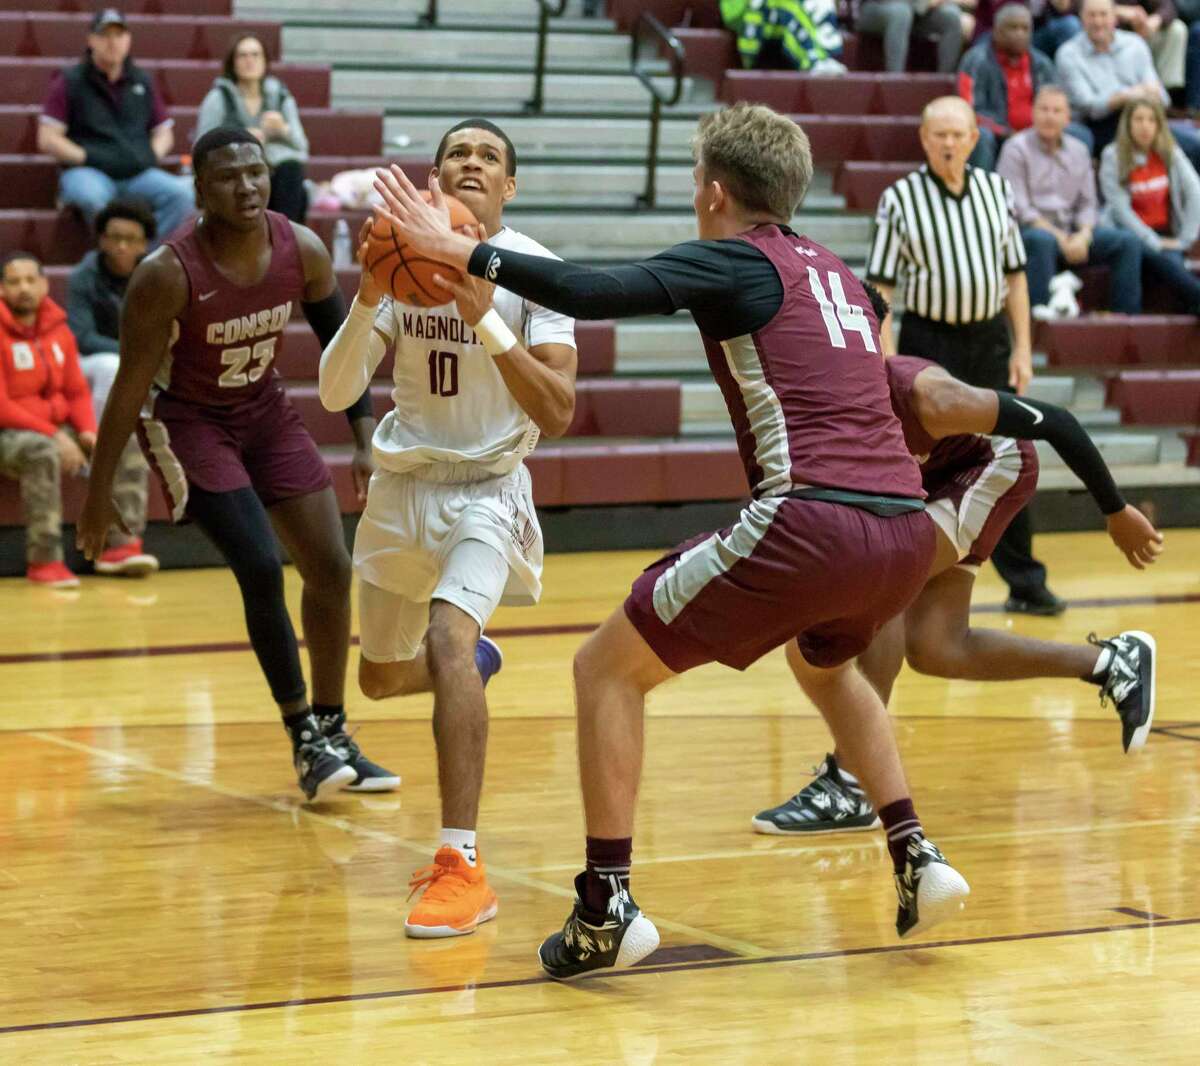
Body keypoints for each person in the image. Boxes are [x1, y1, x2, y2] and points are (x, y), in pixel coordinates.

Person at [372, 102, 972, 977]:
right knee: (826, 667)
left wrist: (458, 251)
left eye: (697, 182)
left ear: (715, 192)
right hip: (905, 530)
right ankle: (915, 851)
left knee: (604, 670)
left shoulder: (736, 257)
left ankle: (605, 906)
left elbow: (590, 292)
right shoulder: (838, 273)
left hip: (812, 518)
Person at [754, 284, 1161, 835]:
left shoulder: (926, 395)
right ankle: (1113, 663)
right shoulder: (823, 398)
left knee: (882, 575)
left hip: (992, 465)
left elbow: (1056, 421)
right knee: (937, 646)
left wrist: (1115, 511)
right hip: (928, 484)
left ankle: (853, 782)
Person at [75, 126, 397, 801]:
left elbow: (343, 346)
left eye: (255, 172)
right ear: (199, 190)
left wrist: (364, 435)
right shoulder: (166, 274)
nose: (246, 186)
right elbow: (128, 389)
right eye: (227, 176)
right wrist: (97, 496)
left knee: (332, 567)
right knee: (259, 564)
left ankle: (333, 730)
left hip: (264, 411)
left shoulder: (301, 248)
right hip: (187, 423)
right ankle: (303, 736)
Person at [321, 119, 577, 939]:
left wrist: (485, 315)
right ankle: (470, 665)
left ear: (510, 187)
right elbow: (334, 394)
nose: (472, 162)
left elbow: (558, 412)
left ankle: (461, 864)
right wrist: (368, 294)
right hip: (401, 488)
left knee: (448, 640)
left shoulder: (535, 271)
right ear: (432, 181)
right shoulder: (399, 259)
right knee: (378, 681)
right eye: (457, 154)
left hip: (488, 490)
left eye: (489, 156)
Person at [866, 96, 1062, 616]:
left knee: (1011, 453)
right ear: (924, 139)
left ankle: (1026, 582)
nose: (950, 144)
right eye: (940, 135)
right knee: (926, 464)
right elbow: (880, 290)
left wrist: (1023, 348)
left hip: (989, 340)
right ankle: (908, 579)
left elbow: (1016, 278)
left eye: (958, 135)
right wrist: (889, 366)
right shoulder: (899, 199)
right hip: (929, 345)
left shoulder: (997, 190)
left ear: (975, 139)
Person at [0, 252, 155, 587]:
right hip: (9, 433)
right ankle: (44, 561)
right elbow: (2, 406)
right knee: (41, 451)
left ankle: (121, 546)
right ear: (2, 289)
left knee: (122, 441)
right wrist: (54, 436)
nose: (24, 288)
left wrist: (87, 431)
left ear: (44, 285)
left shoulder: (58, 329)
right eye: (14, 281)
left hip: (55, 428)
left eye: (30, 280)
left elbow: (75, 391)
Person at [36, 8, 194, 242]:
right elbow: (48, 138)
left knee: (182, 196)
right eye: (105, 35)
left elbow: (164, 132)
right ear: (91, 40)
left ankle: (144, 257)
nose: (113, 42)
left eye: (119, 35)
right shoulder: (70, 81)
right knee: (91, 197)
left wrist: (149, 156)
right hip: (89, 170)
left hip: (136, 173)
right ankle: (110, 258)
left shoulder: (142, 81)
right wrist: (88, 157)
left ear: (128, 39)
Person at [998, 85, 1144, 313]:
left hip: (1072, 232)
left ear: (1067, 118)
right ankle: (1039, 323)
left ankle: (1126, 319)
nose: (1049, 116)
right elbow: (1020, 209)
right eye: (1044, 109)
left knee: (1127, 242)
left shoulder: (1079, 150)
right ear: (1033, 113)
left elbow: (1088, 203)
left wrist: (1083, 235)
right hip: (1030, 234)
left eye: (1056, 111)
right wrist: (1063, 238)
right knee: (1041, 240)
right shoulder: (1015, 149)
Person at [1057, 0, 1200, 166]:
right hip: (1101, 127)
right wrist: (1129, 95)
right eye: (1092, 15)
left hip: (1145, 121)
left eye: (1103, 15)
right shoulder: (1069, 54)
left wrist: (1145, 95)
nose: (1098, 21)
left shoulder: (1134, 44)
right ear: (1081, 18)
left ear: (1114, 18)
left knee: (1194, 146)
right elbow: (1089, 107)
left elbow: (1162, 97)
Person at [959, 5, 1093, 169]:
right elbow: (969, 112)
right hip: (999, 134)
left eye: (1025, 29)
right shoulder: (976, 60)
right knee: (981, 135)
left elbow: (1057, 102)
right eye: (1013, 28)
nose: (1020, 34)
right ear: (996, 31)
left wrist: (1043, 127)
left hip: (1039, 130)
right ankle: (982, 184)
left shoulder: (1042, 63)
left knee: (1080, 134)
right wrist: (1006, 132)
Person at [1099, 97, 1200, 310]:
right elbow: (1120, 210)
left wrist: (1187, 238)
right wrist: (1152, 240)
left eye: (1151, 120)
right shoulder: (1112, 155)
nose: (1145, 126)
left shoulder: (1170, 151)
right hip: (1129, 234)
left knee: (1172, 264)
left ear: (1159, 125)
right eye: (1138, 119)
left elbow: (1195, 190)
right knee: (1165, 261)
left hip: (1165, 233)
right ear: (1127, 124)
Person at [195, 35, 310, 222]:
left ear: (265, 61)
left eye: (256, 55)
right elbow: (201, 146)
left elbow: (302, 147)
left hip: (275, 171)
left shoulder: (281, 96)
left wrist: (283, 129)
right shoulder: (218, 98)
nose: (250, 60)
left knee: (292, 171)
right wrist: (239, 140)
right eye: (243, 55)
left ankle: (285, 235)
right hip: (233, 169)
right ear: (233, 62)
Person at [66, 198, 155, 414]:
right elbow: (82, 337)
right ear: (102, 240)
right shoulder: (83, 276)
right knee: (111, 366)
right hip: (92, 358)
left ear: (144, 244)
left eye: (130, 239)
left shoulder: (156, 276)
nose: (122, 246)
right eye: (115, 238)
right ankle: (100, 434)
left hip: (142, 355)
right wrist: (132, 352)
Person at [850, 0, 966, 73]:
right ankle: (894, 83)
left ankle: (944, 85)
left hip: (916, 13)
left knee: (951, 17)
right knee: (901, 13)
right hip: (875, 8)